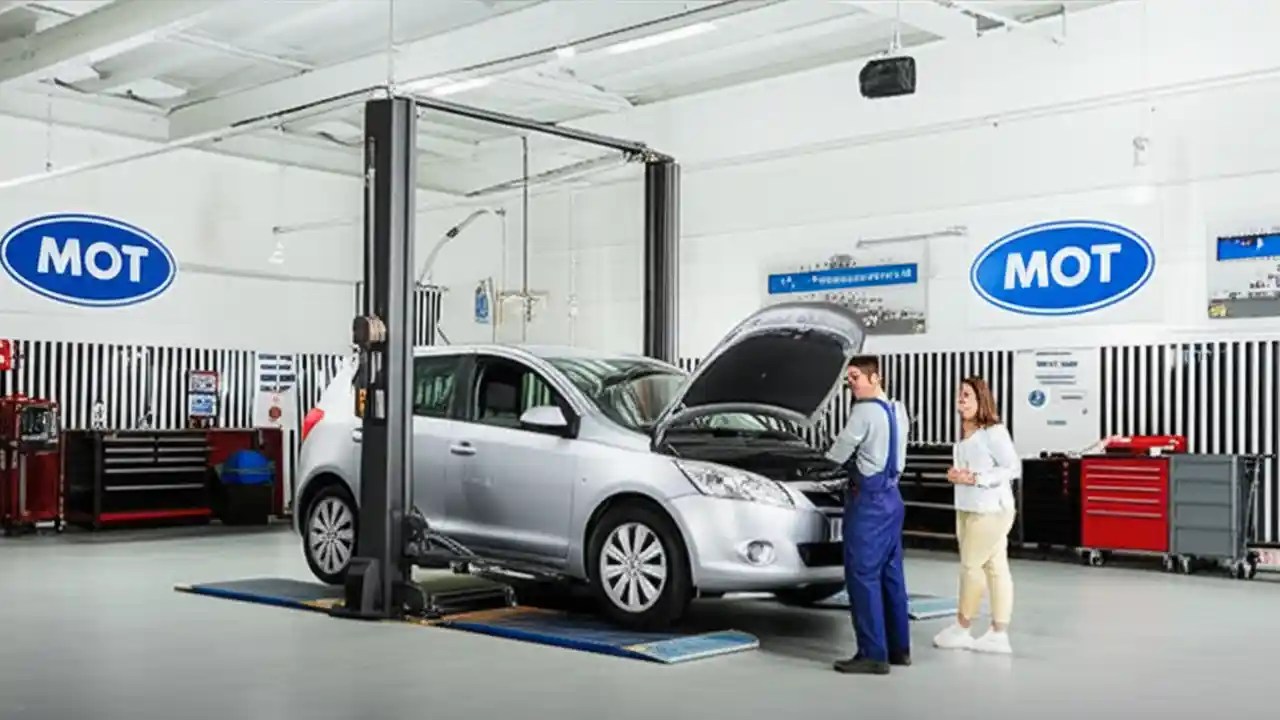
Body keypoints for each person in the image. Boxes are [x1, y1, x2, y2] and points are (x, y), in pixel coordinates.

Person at [824, 355, 912, 675]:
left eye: (857, 377)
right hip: (893, 499)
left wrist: (817, 464)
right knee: (891, 576)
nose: (852, 384)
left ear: (876, 378)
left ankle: (873, 653)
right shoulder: (898, 411)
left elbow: (839, 452)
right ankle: (898, 649)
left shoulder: (862, 412)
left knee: (862, 576)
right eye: (849, 379)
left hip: (869, 505)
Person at [932, 376, 1020, 655]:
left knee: (971, 567)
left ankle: (962, 627)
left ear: (981, 399)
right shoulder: (966, 432)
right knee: (995, 568)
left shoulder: (994, 432)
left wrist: (977, 477)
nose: (961, 399)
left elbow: (1013, 467)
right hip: (969, 507)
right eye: (959, 394)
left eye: (967, 394)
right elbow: (968, 470)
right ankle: (998, 633)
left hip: (991, 510)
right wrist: (956, 475)